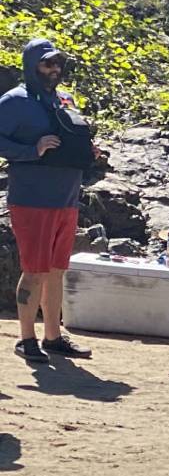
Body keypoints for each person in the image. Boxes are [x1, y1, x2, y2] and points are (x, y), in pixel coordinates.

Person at [0, 39, 100, 363]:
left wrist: (89, 153)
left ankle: (53, 337)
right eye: (46, 64)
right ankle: (26, 339)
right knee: (34, 271)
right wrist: (32, 150)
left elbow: (70, 138)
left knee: (57, 270)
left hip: (67, 198)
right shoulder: (14, 101)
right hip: (32, 199)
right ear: (31, 66)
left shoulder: (64, 99)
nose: (54, 69)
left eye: (57, 63)